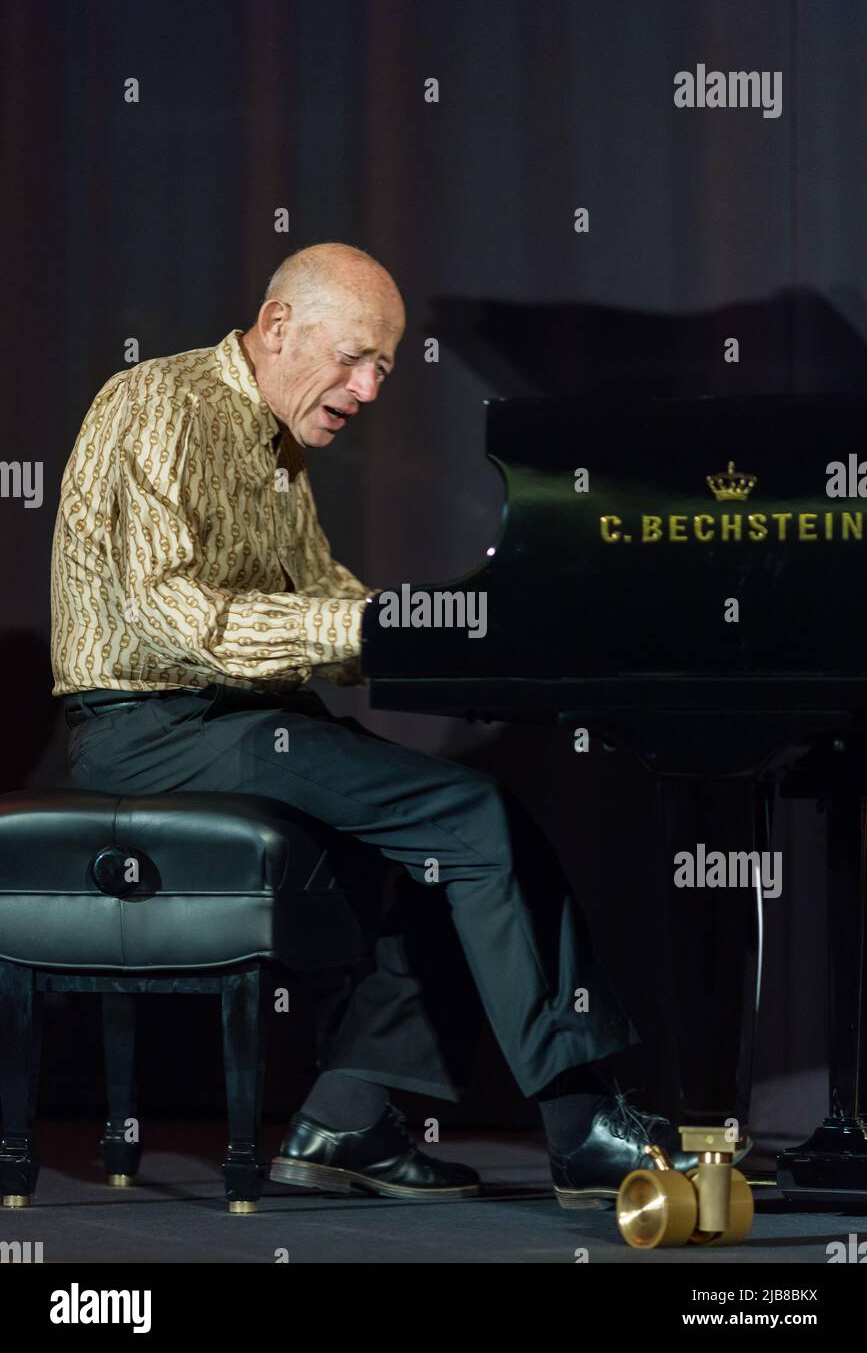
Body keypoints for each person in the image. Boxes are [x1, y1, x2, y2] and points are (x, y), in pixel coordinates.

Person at [50, 242, 700, 1206]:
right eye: (353, 358)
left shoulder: (273, 444)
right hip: (146, 722)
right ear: (278, 327)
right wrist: (378, 623)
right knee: (473, 818)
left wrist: (460, 641)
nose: (366, 389)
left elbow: (325, 601)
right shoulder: (161, 402)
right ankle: (582, 1127)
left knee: (438, 844)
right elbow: (173, 617)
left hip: (237, 716)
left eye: (384, 370)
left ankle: (344, 1120)